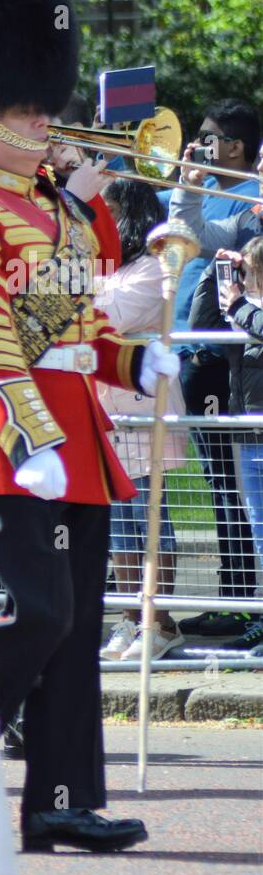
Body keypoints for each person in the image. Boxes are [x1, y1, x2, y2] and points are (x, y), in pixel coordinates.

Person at [0, 0, 177, 851]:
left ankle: (58, 796)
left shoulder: (58, 210)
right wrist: (29, 439)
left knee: (78, 629)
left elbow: (80, 325)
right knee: (40, 612)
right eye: (26, 107)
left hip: (77, 435)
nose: (43, 118)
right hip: (2, 436)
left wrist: (136, 366)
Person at [166, 108, 261, 638]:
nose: (198, 144)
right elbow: (193, 234)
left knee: (247, 490)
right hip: (228, 368)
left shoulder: (251, 197)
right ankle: (240, 596)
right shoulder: (246, 214)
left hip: (240, 366)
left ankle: (248, 600)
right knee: (232, 487)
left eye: (209, 139)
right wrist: (187, 185)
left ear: (239, 147)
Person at [93, 178, 185, 660]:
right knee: (120, 522)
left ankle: (161, 621)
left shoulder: (152, 266)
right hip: (109, 410)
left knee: (149, 519)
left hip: (142, 408)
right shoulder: (104, 265)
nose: (95, 216)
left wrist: (66, 300)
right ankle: (132, 616)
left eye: (105, 208)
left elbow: (109, 317)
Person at [189, 236, 263, 651]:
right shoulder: (245, 309)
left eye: (250, 271)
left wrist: (239, 306)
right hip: (248, 436)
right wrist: (210, 273)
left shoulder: (247, 311)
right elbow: (200, 324)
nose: (245, 279)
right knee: (260, 532)